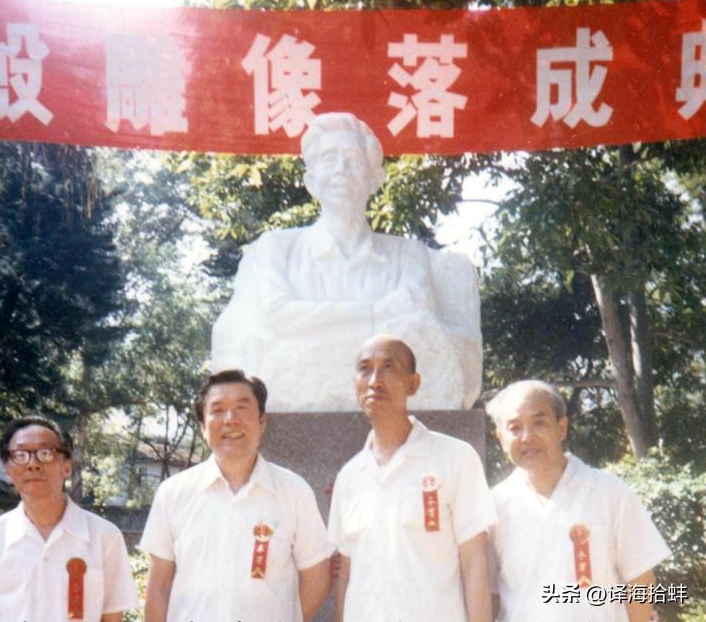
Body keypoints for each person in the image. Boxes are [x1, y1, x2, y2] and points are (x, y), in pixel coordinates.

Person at [211, 112, 481, 412]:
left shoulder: (409, 254)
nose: (341, 169)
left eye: (352, 159)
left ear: (374, 179)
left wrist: (310, 326)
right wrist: (376, 313)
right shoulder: (275, 249)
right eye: (328, 159)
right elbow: (276, 316)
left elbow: (417, 324)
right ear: (310, 181)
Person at [140, 369, 333, 622]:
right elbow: (158, 588)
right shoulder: (173, 493)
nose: (230, 419)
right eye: (218, 410)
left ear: (262, 421)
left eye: (242, 408)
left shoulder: (294, 492)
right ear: (202, 426)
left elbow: (316, 578)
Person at [328, 334, 496, 622]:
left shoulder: (455, 457)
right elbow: (346, 576)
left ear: (413, 383)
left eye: (389, 367)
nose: (375, 380)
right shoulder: (350, 476)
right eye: (365, 368)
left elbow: (475, 564)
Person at [486, 380, 672, 622]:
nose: (527, 437)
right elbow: (490, 595)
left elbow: (640, 581)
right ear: (501, 439)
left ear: (562, 427)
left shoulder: (610, 493)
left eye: (539, 423)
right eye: (515, 428)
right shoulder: (493, 506)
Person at [0, 416, 139, 622]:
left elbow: (113, 617)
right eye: (20, 454)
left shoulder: (105, 536)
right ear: (8, 470)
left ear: (67, 466)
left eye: (45, 453)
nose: (33, 464)